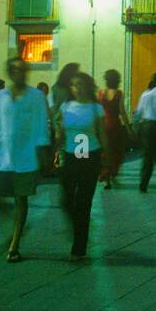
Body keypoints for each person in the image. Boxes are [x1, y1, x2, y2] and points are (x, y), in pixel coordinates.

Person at [0, 57, 50, 262]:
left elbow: (41, 124)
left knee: (21, 198)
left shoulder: (36, 96)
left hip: (26, 154)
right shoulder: (0, 96)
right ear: (10, 73)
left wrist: (42, 151)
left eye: (24, 69)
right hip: (1, 153)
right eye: (17, 70)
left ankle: (15, 244)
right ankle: (16, 223)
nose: (21, 73)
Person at [53, 73, 105, 261]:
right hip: (71, 156)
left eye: (81, 84)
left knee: (83, 202)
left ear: (88, 86)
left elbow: (102, 134)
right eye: (74, 85)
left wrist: (106, 159)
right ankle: (80, 226)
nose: (77, 88)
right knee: (66, 200)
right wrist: (56, 150)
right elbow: (60, 132)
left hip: (90, 156)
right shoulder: (66, 107)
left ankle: (78, 248)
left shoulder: (95, 108)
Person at [97, 69, 131, 189]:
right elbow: (122, 112)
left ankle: (106, 178)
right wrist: (129, 129)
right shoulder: (119, 94)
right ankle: (112, 175)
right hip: (115, 126)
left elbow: (98, 111)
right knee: (116, 151)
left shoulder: (100, 93)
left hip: (103, 126)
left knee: (105, 152)